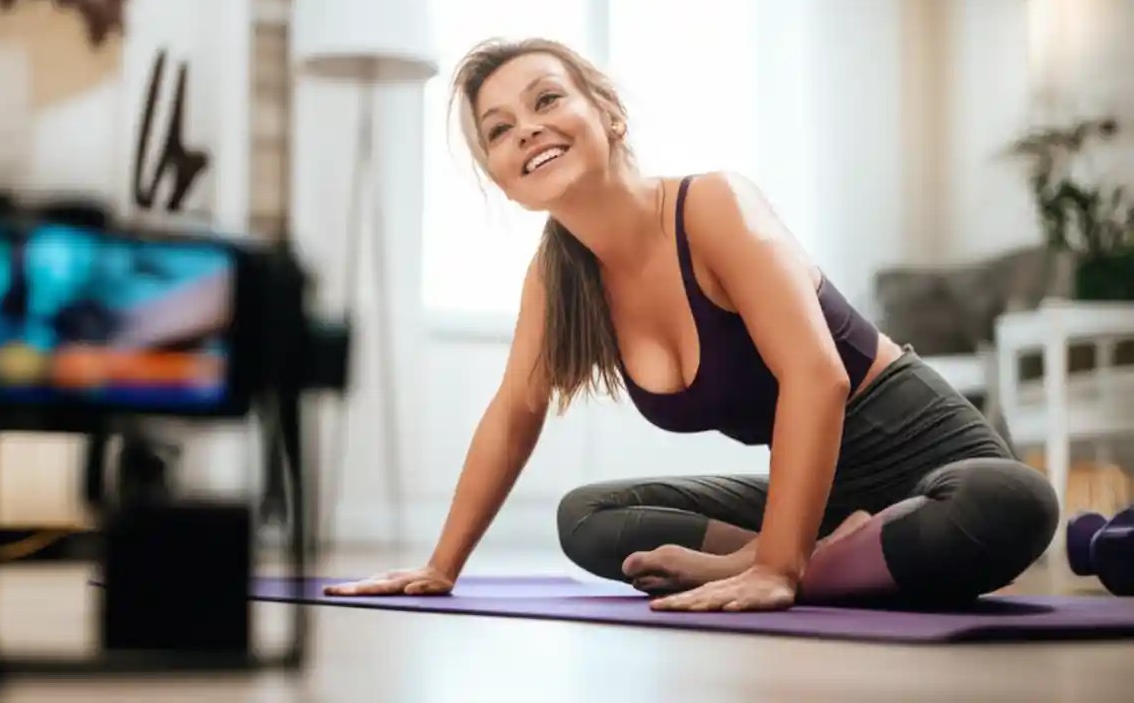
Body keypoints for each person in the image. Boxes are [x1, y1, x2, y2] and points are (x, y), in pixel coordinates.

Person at [326, 38, 1059, 612]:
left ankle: (795, 561)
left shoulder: (713, 206)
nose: (528, 130)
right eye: (500, 129)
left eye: (548, 98)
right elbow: (514, 414)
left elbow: (817, 375)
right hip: (818, 492)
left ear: (607, 113)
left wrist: (774, 567)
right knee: (588, 517)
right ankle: (830, 553)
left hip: (928, 463)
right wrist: (439, 566)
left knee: (1012, 503)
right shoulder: (559, 280)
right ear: (499, 176)